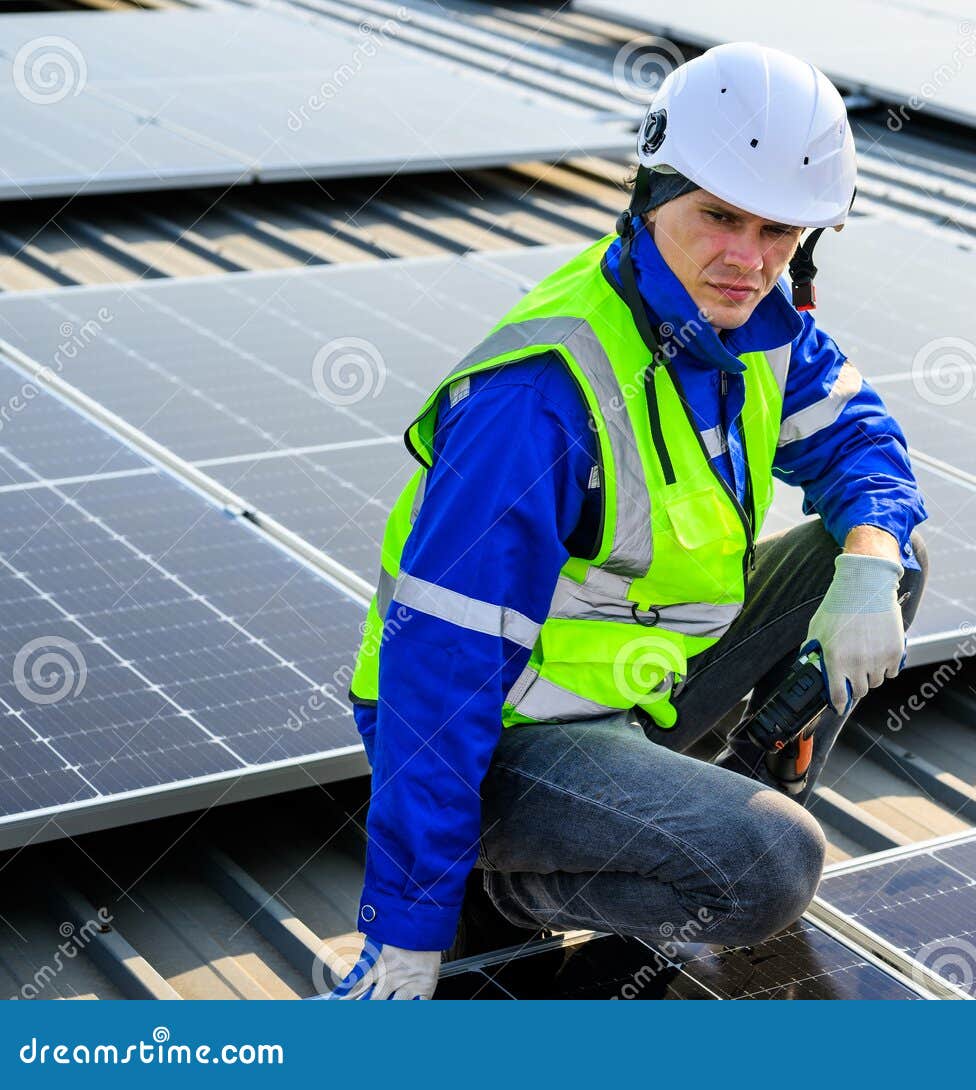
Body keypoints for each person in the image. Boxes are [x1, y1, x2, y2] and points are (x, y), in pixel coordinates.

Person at [325, 41, 928, 1001]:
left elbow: (861, 440)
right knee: (770, 865)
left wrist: (870, 557)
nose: (748, 258)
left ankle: (740, 774)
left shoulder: (762, 322)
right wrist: (407, 926)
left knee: (884, 557)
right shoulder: (539, 401)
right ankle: (513, 884)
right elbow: (439, 674)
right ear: (651, 199)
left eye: (781, 232)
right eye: (720, 216)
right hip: (508, 735)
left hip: (640, 686)